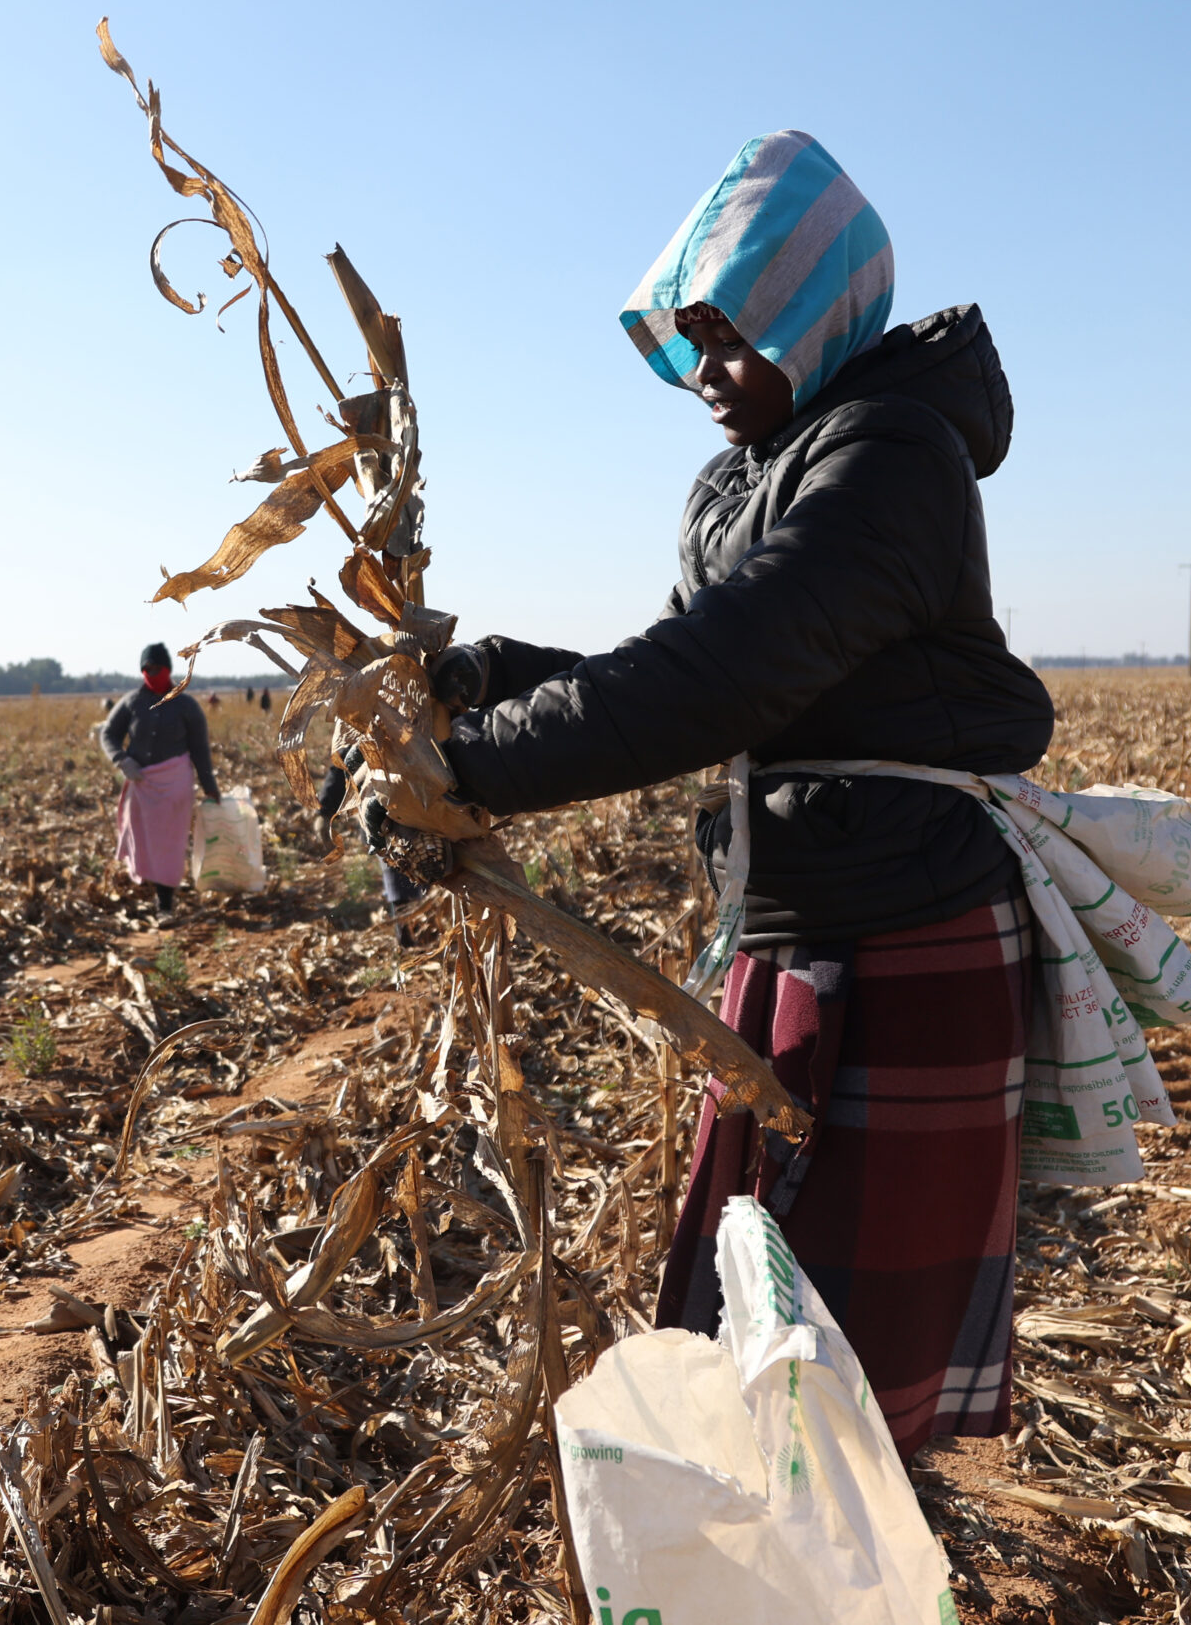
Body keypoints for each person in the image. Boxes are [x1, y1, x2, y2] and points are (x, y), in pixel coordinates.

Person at [404, 131, 1054, 1459]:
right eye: (692, 342)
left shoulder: (890, 455)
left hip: (901, 931)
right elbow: (680, 662)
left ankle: (859, 1560)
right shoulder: (764, 469)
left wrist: (466, 771)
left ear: (812, 318)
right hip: (800, 930)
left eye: (732, 340)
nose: (705, 375)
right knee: (761, 1338)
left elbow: (726, 676)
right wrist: (488, 682)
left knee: (838, 1388)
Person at [100, 643, 220, 917]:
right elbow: (108, 734)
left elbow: (200, 749)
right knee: (142, 839)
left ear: (167, 669)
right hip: (141, 783)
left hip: (175, 785)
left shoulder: (186, 705)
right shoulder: (132, 702)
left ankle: (165, 904)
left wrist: (210, 787)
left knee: (169, 844)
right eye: (147, 669)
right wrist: (121, 760)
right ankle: (150, 888)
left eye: (157, 668)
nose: (152, 673)